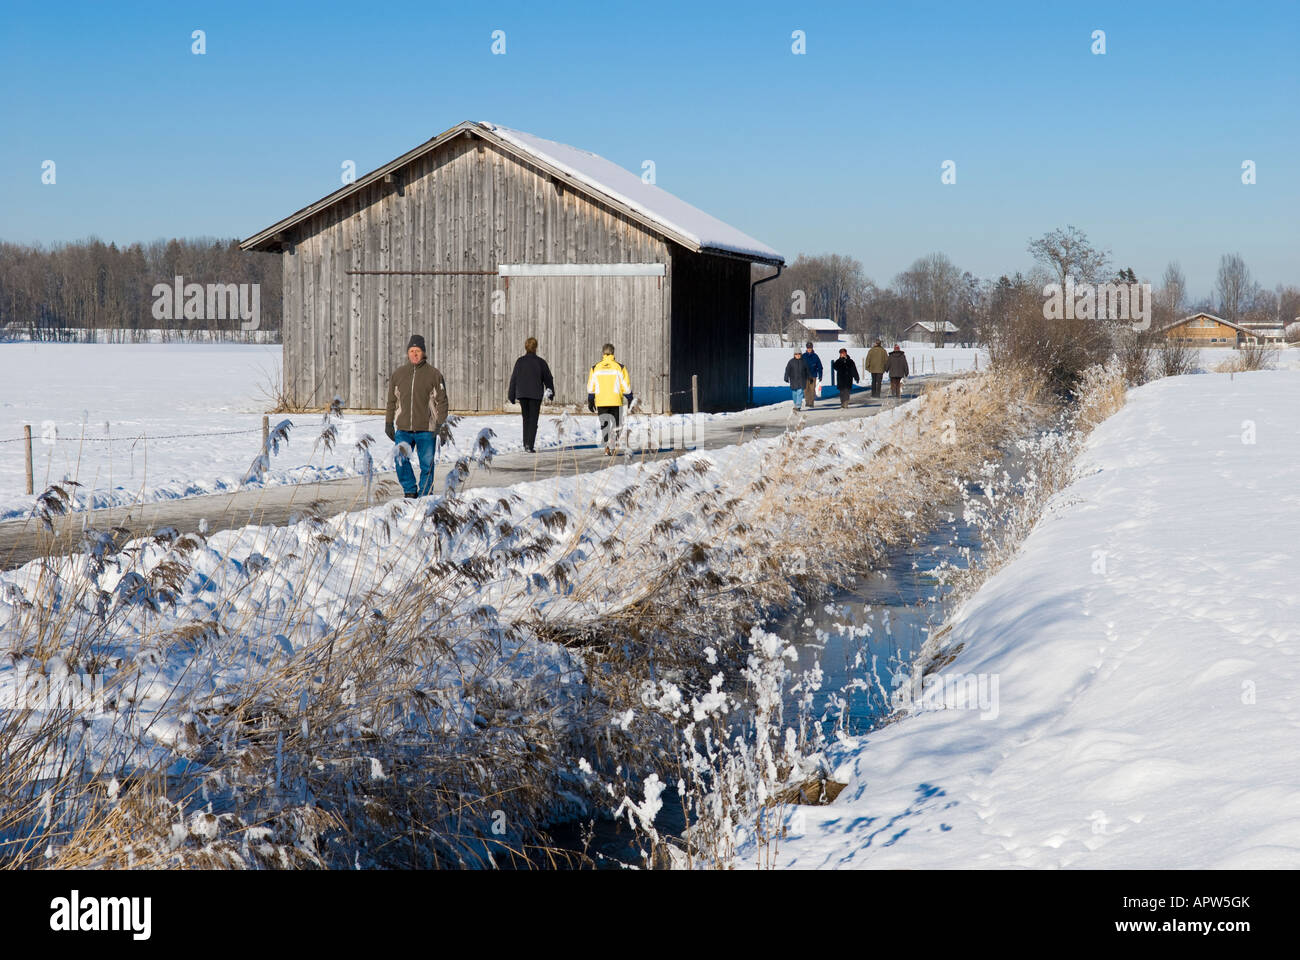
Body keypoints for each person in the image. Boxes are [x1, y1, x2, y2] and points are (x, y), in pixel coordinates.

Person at [384, 334, 449, 498]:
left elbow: (442, 401)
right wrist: (388, 423)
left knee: (427, 464)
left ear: (423, 353)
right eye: (412, 351)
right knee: (400, 460)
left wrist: (440, 424)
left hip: (426, 429)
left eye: (418, 351)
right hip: (403, 428)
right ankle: (410, 491)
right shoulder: (398, 374)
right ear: (407, 353)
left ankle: (426, 494)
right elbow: (392, 401)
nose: (414, 354)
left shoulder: (434, 374)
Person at [507, 336, 554, 453]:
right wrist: (551, 392)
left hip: (522, 394)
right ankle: (529, 445)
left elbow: (514, 379)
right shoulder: (540, 362)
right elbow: (548, 378)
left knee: (526, 419)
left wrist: (511, 395)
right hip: (535, 395)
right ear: (536, 347)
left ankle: (526, 443)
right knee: (533, 420)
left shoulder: (520, 361)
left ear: (526, 347)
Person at [586, 342, 631, 455]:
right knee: (617, 424)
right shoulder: (620, 367)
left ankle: (607, 448)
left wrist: (591, 399)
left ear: (603, 353)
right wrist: (630, 397)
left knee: (604, 425)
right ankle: (613, 445)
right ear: (613, 353)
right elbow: (625, 386)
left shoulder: (595, 367)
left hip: (601, 401)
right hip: (615, 400)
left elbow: (592, 385)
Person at [801, 342, 823, 409]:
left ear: (812, 348)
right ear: (806, 348)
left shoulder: (815, 356)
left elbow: (820, 366)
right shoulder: (803, 356)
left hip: (813, 376)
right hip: (805, 376)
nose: (809, 349)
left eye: (810, 348)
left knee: (812, 389)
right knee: (805, 389)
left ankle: (811, 403)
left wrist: (820, 375)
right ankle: (807, 402)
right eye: (808, 348)